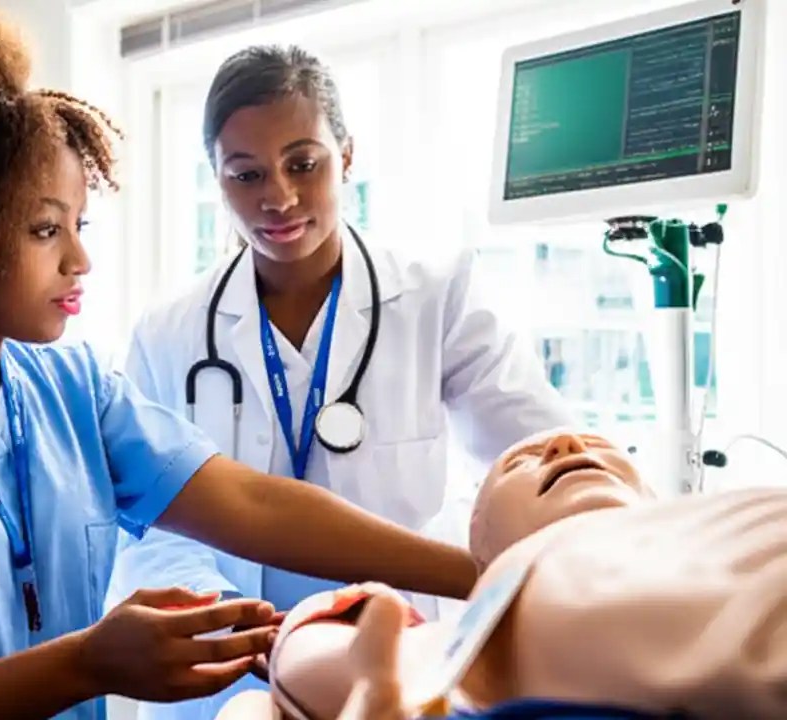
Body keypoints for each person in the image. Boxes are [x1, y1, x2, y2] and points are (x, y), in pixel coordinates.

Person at [0, 5, 478, 720]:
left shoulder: (75, 388)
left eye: (79, 224)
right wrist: (85, 664)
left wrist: (486, 576)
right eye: (44, 230)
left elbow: (252, 506)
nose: (80, 259)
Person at [109, 44, 574, 720]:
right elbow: (154, 531)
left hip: (399, 648)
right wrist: (226, 625)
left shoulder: (434, 296)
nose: (279, 197)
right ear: (216, 179)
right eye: (246, 175)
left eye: (304, 163)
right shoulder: (167, 330)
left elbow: (542, 454)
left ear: (347, 156)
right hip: (231, 670)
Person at [216, 429, 787, 720]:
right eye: (520, 463)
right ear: (478, 545)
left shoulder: (731, 517)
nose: (566, 443)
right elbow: (312, 652)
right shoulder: (460, 635)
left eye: (602, 448)